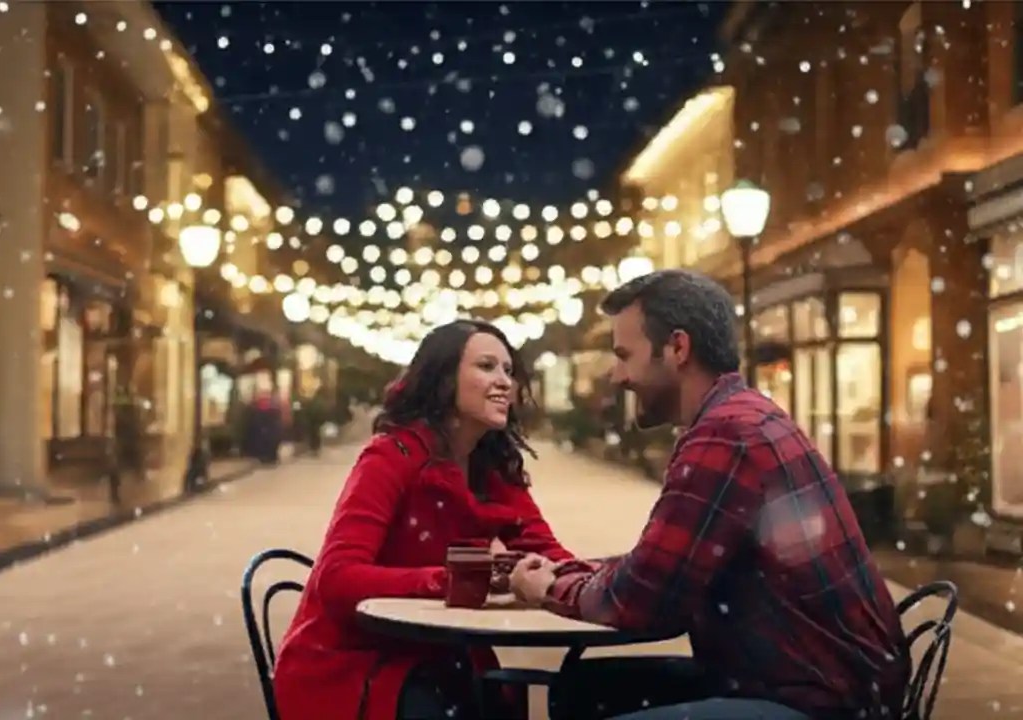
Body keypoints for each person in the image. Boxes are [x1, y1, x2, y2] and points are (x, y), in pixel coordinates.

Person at [509, 270, 908, 720]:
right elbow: (662, 567)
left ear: (678, 348)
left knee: (588, 696)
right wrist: (570, 571)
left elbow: (644, 602)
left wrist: (547, 587)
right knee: (581, 690)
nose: (617, 376)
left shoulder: (726, 435)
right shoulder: (743, 415)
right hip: (805, 677)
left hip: (816, 698)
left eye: (624, 355)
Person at [273, 319, 575, 720]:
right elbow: (338, 578)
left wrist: (591, 580)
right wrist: (455, 581)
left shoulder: (492, 466)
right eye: (486, 366)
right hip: (355, 662)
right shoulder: (391, 455)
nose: (505, 381)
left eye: (508, 370)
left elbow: (548, 551)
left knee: (524, 693)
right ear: (445, 379)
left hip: (442, 653)